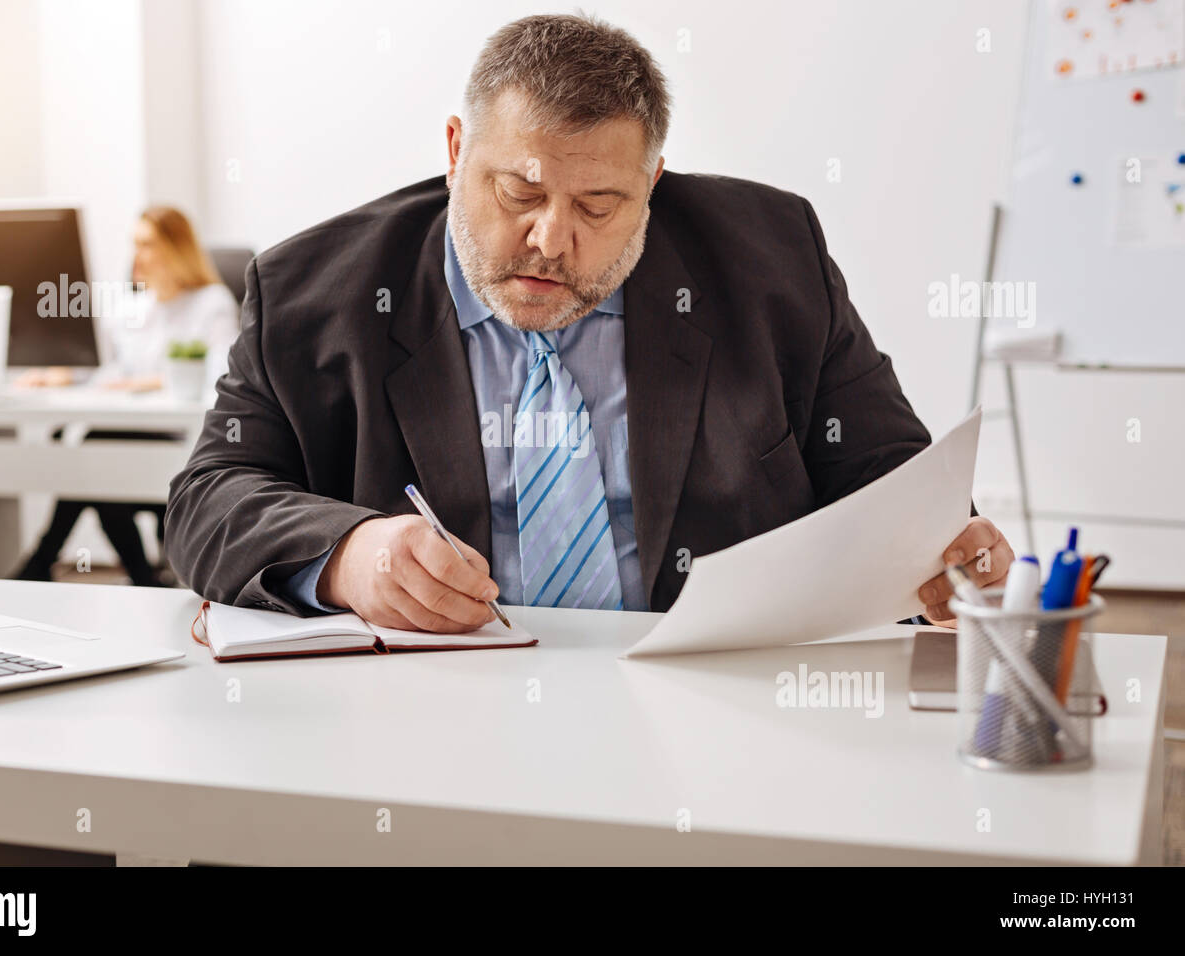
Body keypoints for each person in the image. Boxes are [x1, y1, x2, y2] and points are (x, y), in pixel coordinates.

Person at [165, 14, 1013, 630]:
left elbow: (886, 468)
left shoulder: (771, 260)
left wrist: (941, 547)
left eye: (599, 205)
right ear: (457, 151)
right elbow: (207, 502)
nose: (552, 239)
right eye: (520, 193)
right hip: (432, 711)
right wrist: (350, 556)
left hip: (715, 707)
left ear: (654, 183)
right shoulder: (315, 290)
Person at [15, 206, 239, 585]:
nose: (137, 255)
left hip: (179, 440)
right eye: (135, 244)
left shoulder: (212, 303)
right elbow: (106, 366)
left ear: (177, 248)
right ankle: (134, 577)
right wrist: (62, 373)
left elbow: (221, 377)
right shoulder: (133, 305)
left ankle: (44, 562)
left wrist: (150, 382)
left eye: (147, 244)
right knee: (94, 458)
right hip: (125, 428)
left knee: (92, 460)